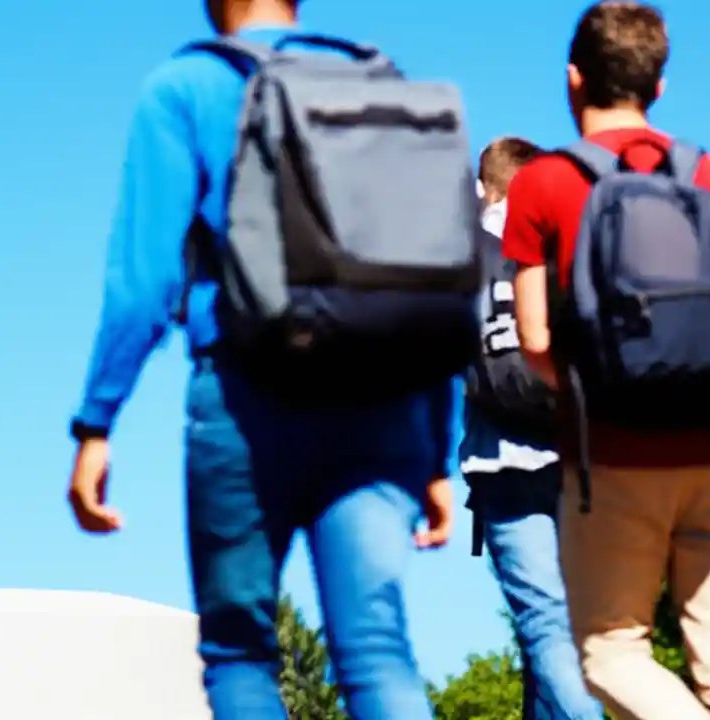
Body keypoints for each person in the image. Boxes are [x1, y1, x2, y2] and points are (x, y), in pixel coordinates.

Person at [63, 0, 463, 717]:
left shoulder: (184, 87)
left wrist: (97, 422)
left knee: (240, 652)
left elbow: (146, 279)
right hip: (382, 401)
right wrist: (438, 453)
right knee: (376, 650)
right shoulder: (378, 79)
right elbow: (431, 275)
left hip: (245, 402)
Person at [503, 3, 710, 718]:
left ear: (573, 79)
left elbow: (534, 339)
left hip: (614, 455)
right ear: (658, 86)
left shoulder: (542, 185)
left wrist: (603, 391)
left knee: (613, 654)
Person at [462, 136, 604, 720]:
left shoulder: (463, 259)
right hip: (582, 464)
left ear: (483, 189)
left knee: (544, 627)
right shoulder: (562, 254)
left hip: (504, 466)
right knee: (560, 633)